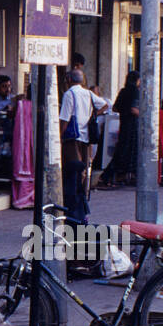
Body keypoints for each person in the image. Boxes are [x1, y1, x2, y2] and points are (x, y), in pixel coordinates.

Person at [59, 69, 104, 220]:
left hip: (73, 138)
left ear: (69, 80)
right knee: (84, 172)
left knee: (73, 173)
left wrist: (58, 138)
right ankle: (82, 206)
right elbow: (105, 105)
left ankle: (72, 206)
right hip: (86, 138)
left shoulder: (69, 94)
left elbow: (65, 119)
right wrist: (93, 116)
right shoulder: (89, 93)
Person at [100, 71, 140, 188]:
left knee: (121, 151)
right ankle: (109, 176)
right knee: (126, 152)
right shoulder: (135, 92)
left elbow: (115, 107)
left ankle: (118, 176)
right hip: (132, 126)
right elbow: (134, 109)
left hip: (123, 124)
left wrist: (124, 111)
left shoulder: (123, 91)